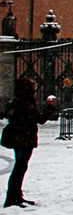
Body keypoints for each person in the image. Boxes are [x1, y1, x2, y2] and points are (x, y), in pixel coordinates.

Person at [3, 79, 57, 207]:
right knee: (20, 167)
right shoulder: (27, 104)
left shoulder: (16, 102)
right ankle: (12, 197)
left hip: (17, 138)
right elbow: (40, 119)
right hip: (25, 138)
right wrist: (50, 106)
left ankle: (15, 195)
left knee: (19, 166)